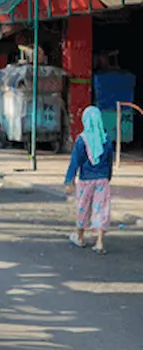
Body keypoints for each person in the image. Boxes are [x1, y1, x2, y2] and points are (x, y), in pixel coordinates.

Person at [65, 106, 114, 254]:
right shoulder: (106, 140)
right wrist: (108, 177)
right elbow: (109, 162)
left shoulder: (82, 140)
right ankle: (99, 242)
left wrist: (69, 180)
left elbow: (75, 162)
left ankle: (80, 237)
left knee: (83, 207)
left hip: (86, 181)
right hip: (102, 180)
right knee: (101, 209)